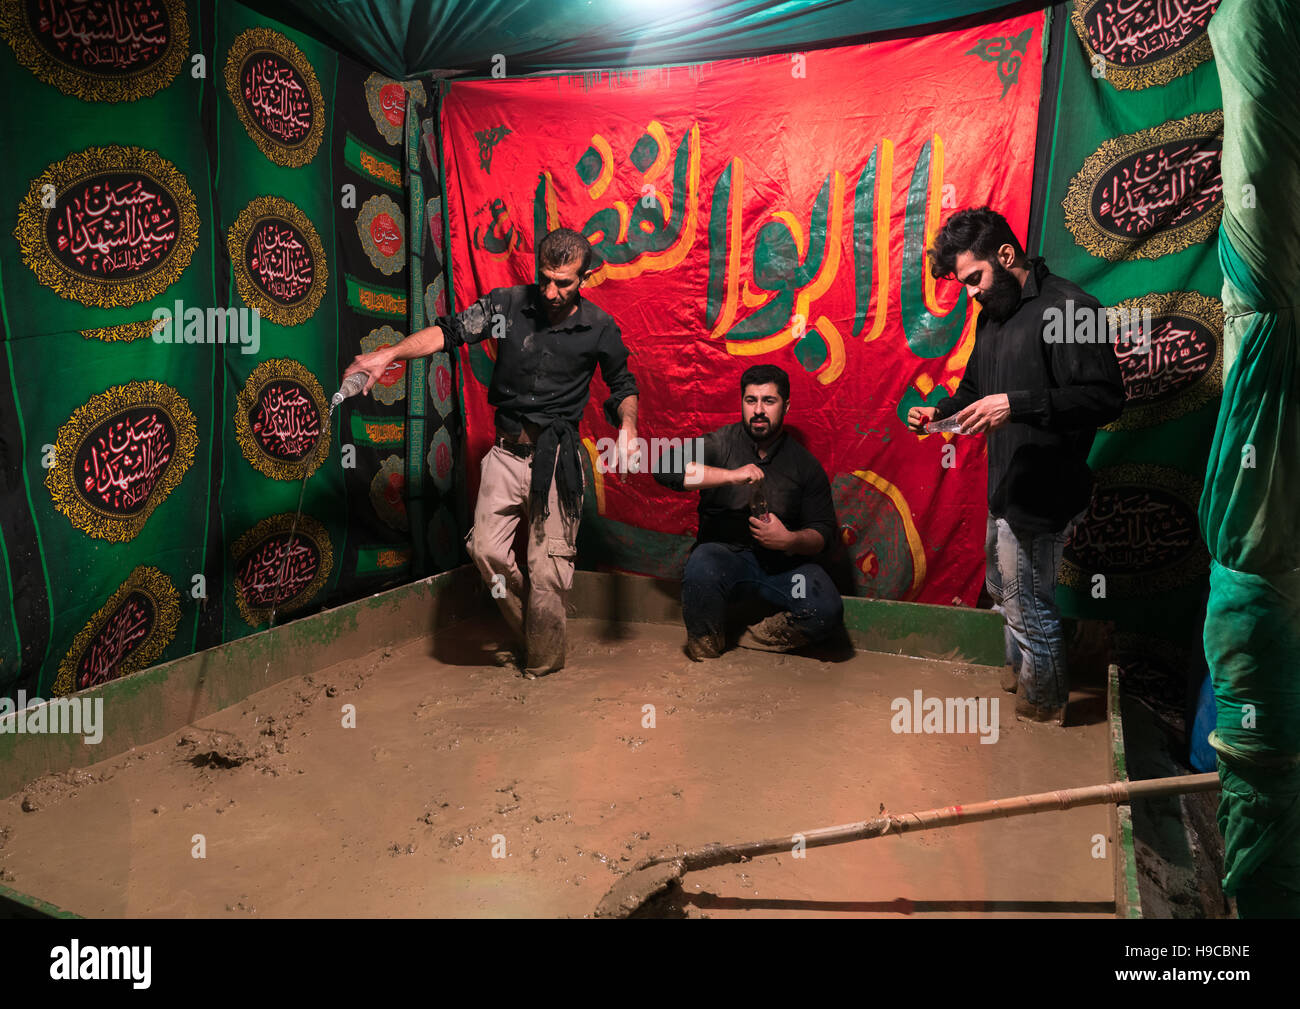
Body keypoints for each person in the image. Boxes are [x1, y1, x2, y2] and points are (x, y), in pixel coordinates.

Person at [344, 228, 639, 678]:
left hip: (556, 460)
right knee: (486, 551)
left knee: (547, 572)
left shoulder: (599, 327)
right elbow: (448, 333)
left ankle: (542, 671)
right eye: (545, 278)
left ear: (586, 277)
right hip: (505, 454)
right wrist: (391, 354)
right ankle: (531, 632)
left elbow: (623, 387)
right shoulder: (507, 305)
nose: (552, 291)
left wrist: (629, 425)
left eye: (564, 282)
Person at [906, 206, 1124, 724]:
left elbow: (1104, 398)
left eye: (974, 278)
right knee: (1004, 592)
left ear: (1006, 255)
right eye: (964, 284)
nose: (971, 292)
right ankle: (1018, 676)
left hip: (1048, 489)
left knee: (1028, 601)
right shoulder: (993, 316)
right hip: (1005, 484)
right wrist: (940, 414)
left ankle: (1043, 705)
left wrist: (1018, 404)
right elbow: (977, 391)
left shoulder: (1072, 308)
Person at [655, 364, 843, 660]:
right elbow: (664, 468)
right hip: (724, 560)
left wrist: (790, 540)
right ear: (742, 403)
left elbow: (823, 532)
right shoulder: (720, 444)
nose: (758, 410)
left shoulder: (805, 466)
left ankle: (749, 636)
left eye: (769, 401)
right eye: (750, 400)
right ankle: (708, 643)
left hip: (782, 570)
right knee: (702, 563)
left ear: (786, 405)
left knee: (825, 609)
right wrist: (729, 476)